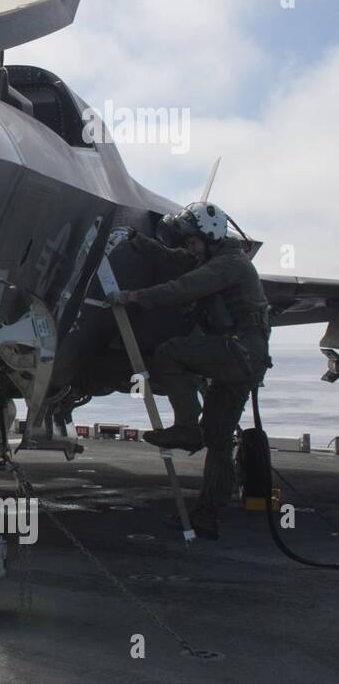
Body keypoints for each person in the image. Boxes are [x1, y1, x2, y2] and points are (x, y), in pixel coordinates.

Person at [110, 202, 271, 538]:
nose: (189, 249)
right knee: (219, 440)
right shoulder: (210, 257)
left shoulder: (228, 264)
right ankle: (206, 518)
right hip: (242, 361)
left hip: (237, 354)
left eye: (192, 242)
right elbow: (173, 260)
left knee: (169, 354)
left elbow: (185, 287)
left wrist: (135, 296)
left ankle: (185, 427)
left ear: (208, 237)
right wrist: (136, 240)